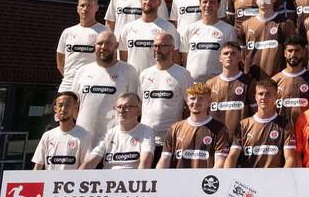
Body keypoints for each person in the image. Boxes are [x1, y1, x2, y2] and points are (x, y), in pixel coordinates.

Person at [73, 30, 139, 149]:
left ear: (116, 46)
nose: (103, 47)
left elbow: (134, 108)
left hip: (114, 143)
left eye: (108, 43)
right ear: (95, 46)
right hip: (83, 141)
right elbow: (74, 105)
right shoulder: (82, 71)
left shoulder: (129, 71)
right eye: (100, 43)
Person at [139, 29, 194, 159]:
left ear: (172, 48)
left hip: (169, 140)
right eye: (155, 46)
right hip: (146, 139)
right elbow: (140, 106)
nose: (157, 49)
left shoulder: (183, 74)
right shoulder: (144, 74)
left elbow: (191, 107)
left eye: (162, 46)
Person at [225, 77, 298, 168]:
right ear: (255, 97)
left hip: (274, 180)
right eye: (260, 94)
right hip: (247, 180)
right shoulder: (243, 124)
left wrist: (282, 180)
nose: (263, 97)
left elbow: (290, 158)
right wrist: (229, 178)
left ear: (276, 97)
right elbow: (232, 156)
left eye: (268, 94)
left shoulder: (285, 124)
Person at [158, 82, 231, 169]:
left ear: (209, 102)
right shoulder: (175, 128)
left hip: (205, 181)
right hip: (178, 181)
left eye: (201, 98)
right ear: (187, 101)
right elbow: (164, 159)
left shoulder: (219, 129)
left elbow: (220, 161)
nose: (196, 102)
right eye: (192, 98)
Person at [81, 93, 154, 169]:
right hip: (108, 179)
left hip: (133, 179)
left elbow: (145, 162)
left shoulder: (146, 131)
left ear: (138, 111)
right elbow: (91, 160)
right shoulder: (109, 133)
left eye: (127, 107)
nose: (121, 110)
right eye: (119, 107)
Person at [117, 0, 179, 75]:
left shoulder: (168, 28)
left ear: (159, 2)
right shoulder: (127, 28)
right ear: (140, 1)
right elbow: (124, 60)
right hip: (132, 82)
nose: (148, 2)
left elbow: (175, 57)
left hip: (156, 82)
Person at [179, 0, 235, 83]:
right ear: (200, 5)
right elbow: (185, 58)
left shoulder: (228, 30)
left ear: (218, 5)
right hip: (193, 85)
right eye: (205, 2)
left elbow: (232, 59)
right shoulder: (189, 29)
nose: (208, 5)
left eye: (212, 2)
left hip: (217, 84)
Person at [239, 0, 295, 78]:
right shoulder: (246, 25)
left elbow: (292, 52)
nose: (263, 0)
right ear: (256, 0)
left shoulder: (285, 24)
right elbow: (242, 55)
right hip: (253, 79)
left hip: (278, 78)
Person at [56, 0, 106, 92]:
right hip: (68, 85)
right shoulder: (68, 32)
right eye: (82, 5)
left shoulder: (104, 32)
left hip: (92, 85)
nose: (85, 9)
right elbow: (60, 61)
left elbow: (109, 60)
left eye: (89, 5)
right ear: (78, 8)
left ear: (97, 8)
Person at [32, 92, 91, 170]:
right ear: (55, 108)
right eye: (60, 105)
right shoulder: (47, 135)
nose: (63, 109)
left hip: (72, 182)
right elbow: (38, 166)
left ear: (75, 107)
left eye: (67, 105)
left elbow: (85, 167)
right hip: (49, 181)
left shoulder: (84, 135)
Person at [207, 41, 254, 138]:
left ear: (240, 57)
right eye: (225, 53)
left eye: (233, 53)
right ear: (220, 58)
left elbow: (255, 112)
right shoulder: (210, 84)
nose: (229, 56)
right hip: (215, 139)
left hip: (241, 138)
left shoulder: (249, 82)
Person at [272, 36, 309, 126]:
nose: (293, 54)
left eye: (297, 51)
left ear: (303, 52)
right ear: (284, 53)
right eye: (290, 51)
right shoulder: (275, 80)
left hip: (306, 130)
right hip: (281, 133)